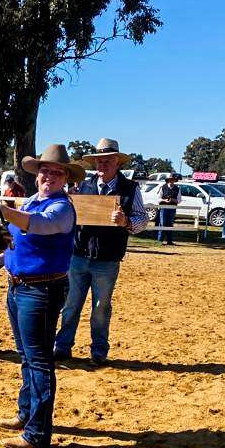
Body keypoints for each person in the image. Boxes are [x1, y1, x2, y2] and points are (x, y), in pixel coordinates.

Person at [0, 144, 84, 448]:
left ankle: (37, 433)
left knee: (39, 359)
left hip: (41, 289)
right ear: (37, 173)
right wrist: (0, 260)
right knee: (27, 356)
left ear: (65, 178)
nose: (49, 177)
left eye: (56, 172)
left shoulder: (62, 207)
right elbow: (19, 240)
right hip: (20, 286)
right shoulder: (30, 201)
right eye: (45, 171)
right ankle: (27, 413)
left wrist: (4, 210)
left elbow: (39, 226)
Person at [53, 138, 148, 366]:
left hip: (107, 259)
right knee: (71, 304)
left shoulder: (130, 188)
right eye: (98, 161)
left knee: (100, 307)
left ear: (117, 162)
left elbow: (143, 218)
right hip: (78, 255)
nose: (102, 165)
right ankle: (62, 347)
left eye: (107, 161)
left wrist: (126, 222)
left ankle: (98, 351)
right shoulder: (82, 188)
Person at [157, 174, 180, 245]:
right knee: (162, 223)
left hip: (172, 208)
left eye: (172, 179)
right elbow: (158, 198)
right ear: (168, 180)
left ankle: (169, 241)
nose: (171, 181)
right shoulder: (163, 187)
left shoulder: (177, 188)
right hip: (163, 208)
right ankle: (159, 241)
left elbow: (179, 200)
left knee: (170, 224)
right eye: (170, 180)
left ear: (174, 180)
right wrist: (164, 200)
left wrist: (173, 199)